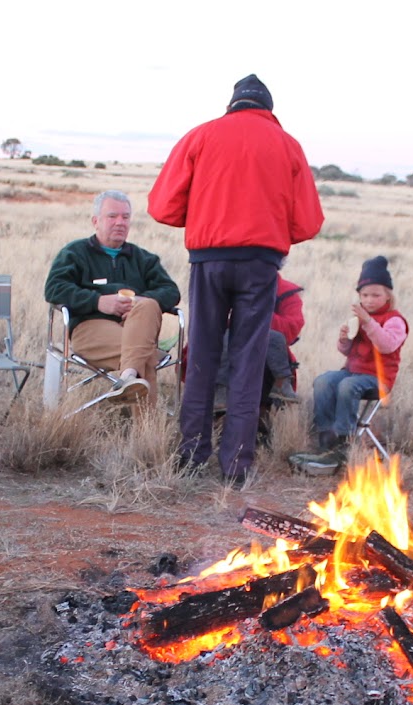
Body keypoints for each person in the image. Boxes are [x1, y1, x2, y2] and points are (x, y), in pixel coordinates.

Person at [148, 74, 323, 486]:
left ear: (233, 104)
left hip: (209, 260)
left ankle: (190, 457)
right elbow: (309, 221)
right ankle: (236, 467)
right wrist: (271, 233)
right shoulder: (288, 145)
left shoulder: (202, 136)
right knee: (247, 360)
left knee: (204, 355)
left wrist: (206, 217)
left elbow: (162, 206)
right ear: (268, 108)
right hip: (260, 265)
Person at [43, 191, 180, 408]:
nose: (120, 223)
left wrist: (140, 302)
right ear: (95, 221)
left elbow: (171, 291)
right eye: (112, 216)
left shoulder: (143, 259)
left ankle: (128, 377)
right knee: (147, 356)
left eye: (125, 217)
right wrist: (98, 301)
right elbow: (54, 289)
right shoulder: (75, 253)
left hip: (136, 328)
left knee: (148, 305)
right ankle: (147, 436)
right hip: (90, 329)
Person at [290, 256, 408, 475]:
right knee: (324, 381)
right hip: (353, 372)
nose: (370, 300)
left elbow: (386, 346)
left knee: (347, 386)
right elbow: (347, 352)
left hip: (378, 379)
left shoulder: (394, 320)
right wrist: (344, 340)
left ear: (388, 296)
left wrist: (369, 323)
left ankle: (344, 442)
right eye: (364, 295)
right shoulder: (360, 319)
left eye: (376, 295)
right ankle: (326, 437)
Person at [214, 274, 305, 414]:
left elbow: (291, 330)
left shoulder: (286, 292)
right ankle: (220, 396)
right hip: (230, 351)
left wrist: (260, 313)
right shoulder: (228, 286)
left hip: (267, 359)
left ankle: (273, 397)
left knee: (272, 340)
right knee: (225, 340)